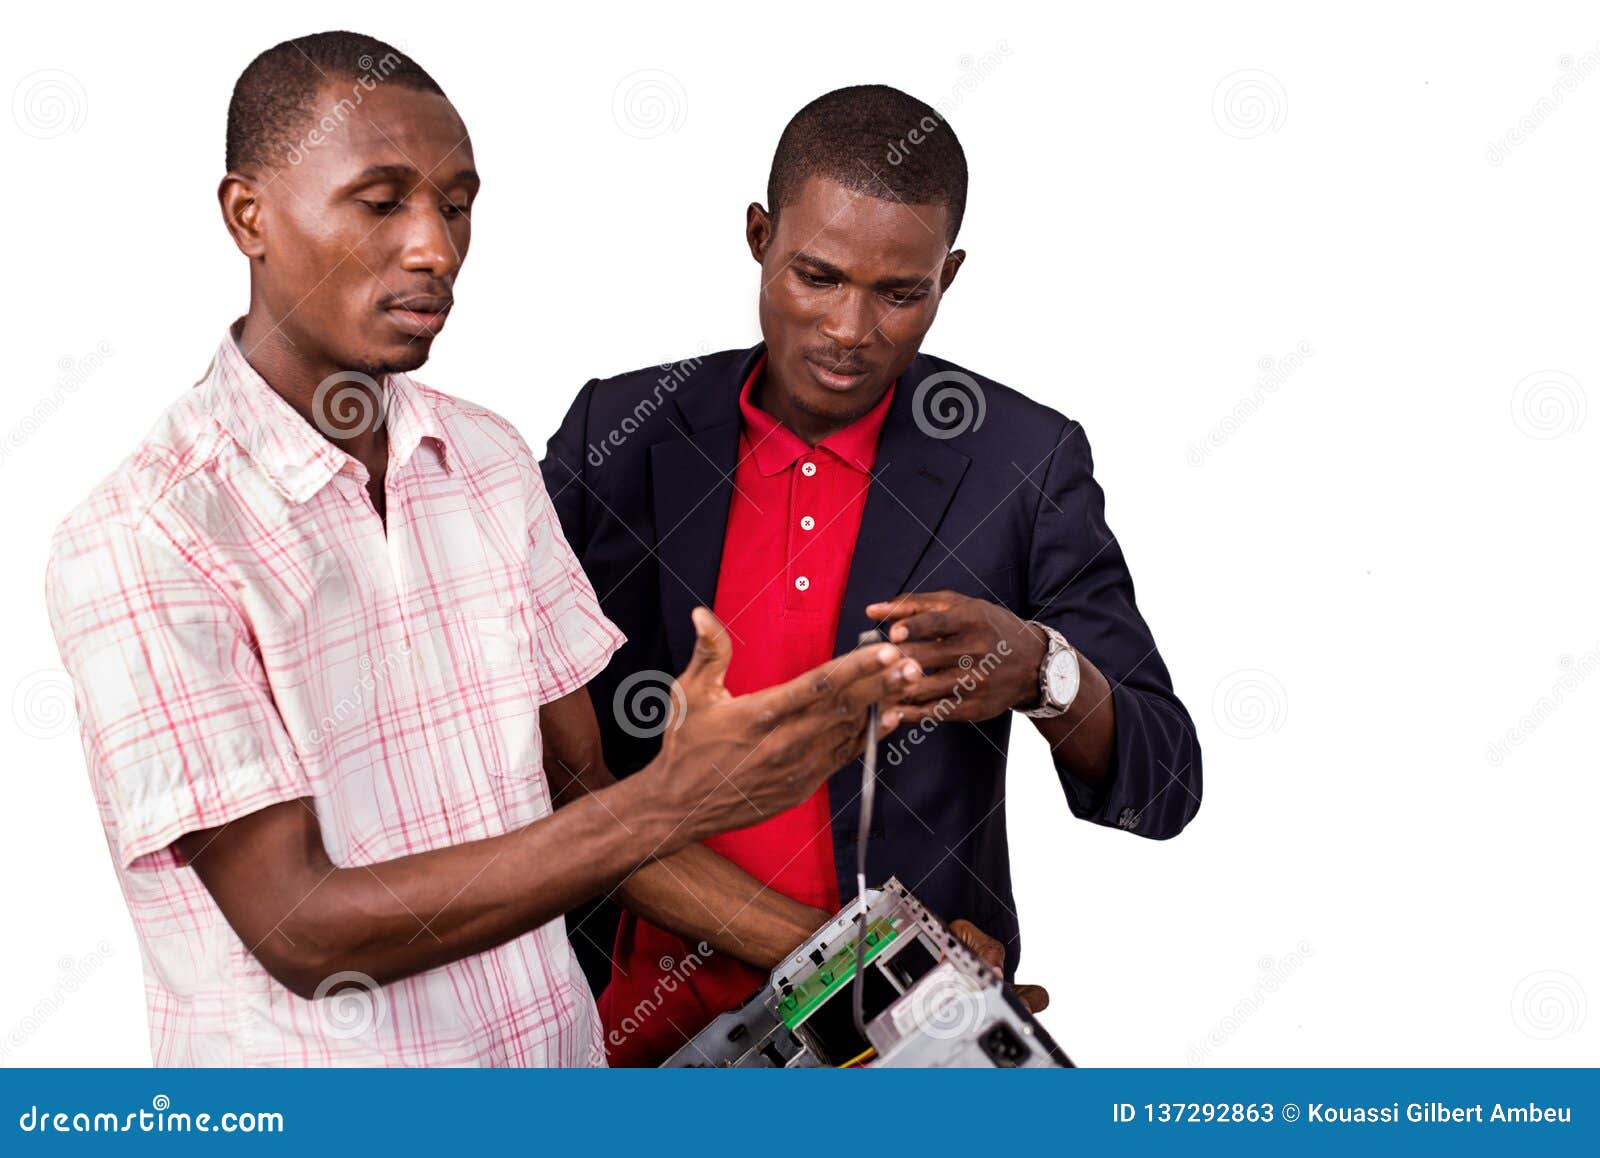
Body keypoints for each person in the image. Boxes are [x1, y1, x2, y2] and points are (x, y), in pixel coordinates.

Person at [42, 32, 919, 1067]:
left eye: (456, 205)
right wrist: (671, 798)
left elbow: (578, 804)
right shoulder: (150, 533)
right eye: (382, 202)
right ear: (249, 216)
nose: (436, 249)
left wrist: (878, 963)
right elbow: (302, 930)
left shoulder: (489, 461)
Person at [543, 85, 1203, 1065]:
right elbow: (519, 751)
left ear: (950, 275)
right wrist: (867, 954)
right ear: (759, 235)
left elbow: (1163, 783)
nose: (850, 329)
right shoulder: (621, 434)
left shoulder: (1019, 462)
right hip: (631, 1034)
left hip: (896, 1052)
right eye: (817, 276)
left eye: (900, 293)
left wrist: (1043, 668)